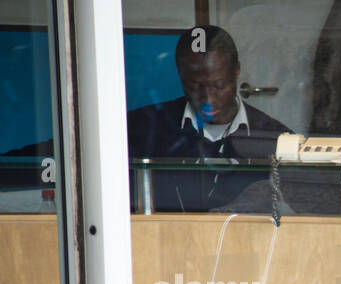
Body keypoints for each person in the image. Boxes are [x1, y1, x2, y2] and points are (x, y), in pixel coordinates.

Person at [4, 25, 290, 211]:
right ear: (179, 76)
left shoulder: (274, 138)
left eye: (218, 85)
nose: (208, 98)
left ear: (237, 71)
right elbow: (60, 154)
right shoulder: (146, 126)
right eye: (194, 86)